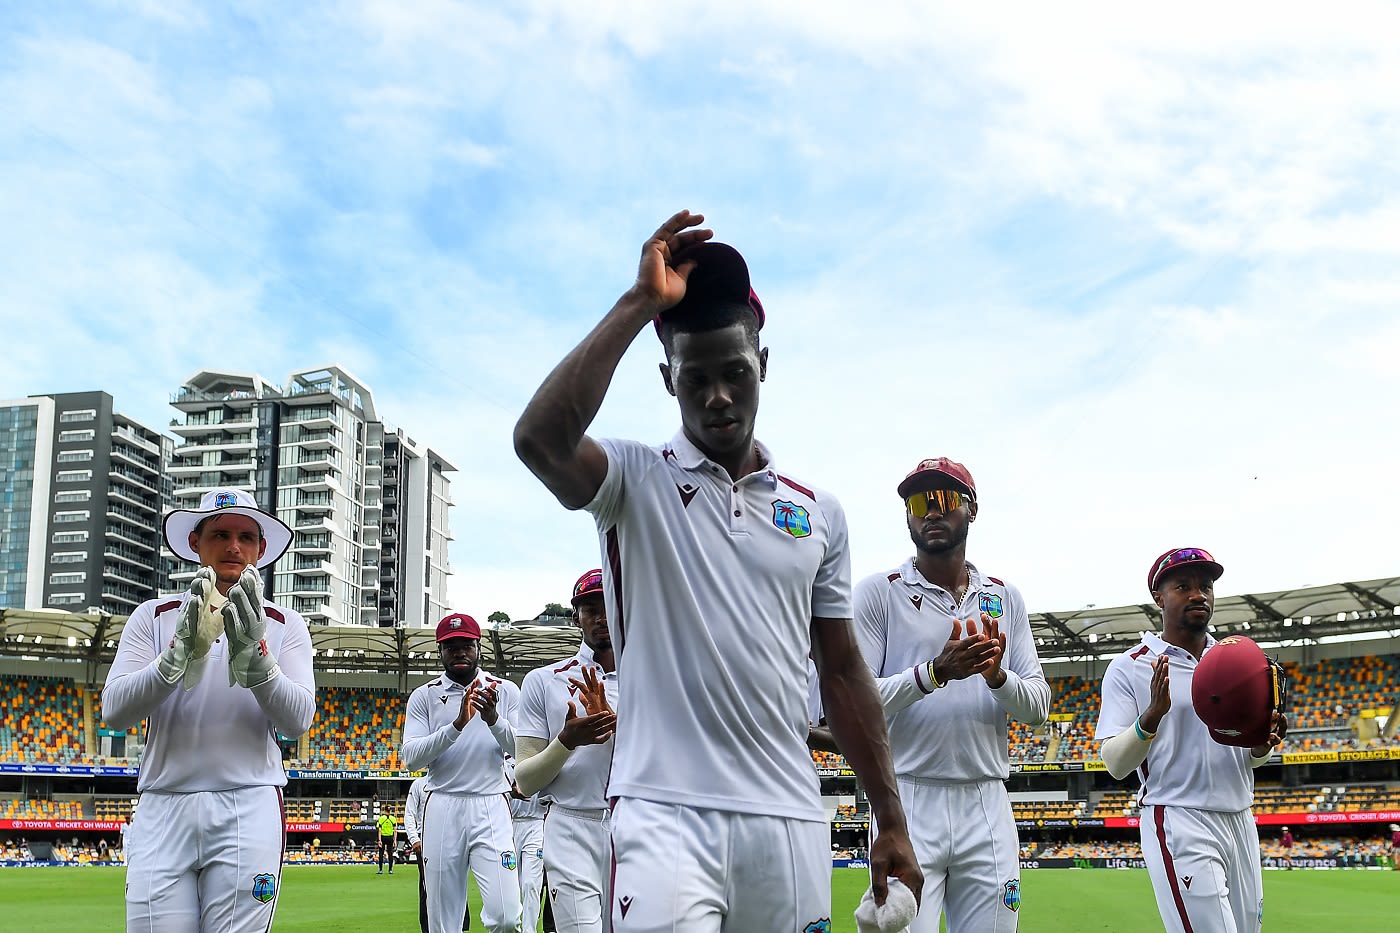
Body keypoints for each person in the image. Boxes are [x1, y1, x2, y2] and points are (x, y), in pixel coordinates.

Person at [513, 211, 922, 931]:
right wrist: (639, 305)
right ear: (668, 378)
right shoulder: (633, 479)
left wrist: (890, 815)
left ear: (763, 362)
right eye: (695, 378)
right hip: (662, 815)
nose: (718, 396)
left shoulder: (816, 511)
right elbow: (539, 439)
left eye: (735, 372)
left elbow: (842, 668)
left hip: (790, 818)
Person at [103, 487, 315, 932]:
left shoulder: (283, 624)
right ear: (196, 543)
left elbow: (297, 720)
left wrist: (258, 664)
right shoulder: (154, 617)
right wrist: (175, 657)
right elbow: (114, 712)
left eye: (244, 536)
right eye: (219, 534)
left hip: (248, 802)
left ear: (260, 549)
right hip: (164, 803)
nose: (232, 546)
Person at [854, 457, 1051, 932]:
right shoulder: (879, 593)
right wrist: (933, 672)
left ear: (973, 509)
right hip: (907, 797)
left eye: (944, 499)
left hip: (986, 801)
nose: (931, 511)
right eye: (919, 502)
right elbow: (856, 703)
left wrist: (997, 677)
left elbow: (1039, 709)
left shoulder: (1005, 598)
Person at [1094, 548, 1286, 933]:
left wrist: (1262, 746)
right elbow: (1115, 764)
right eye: (1183, 586)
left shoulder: (1238, 660)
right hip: (1179, 817)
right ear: (1159, 597)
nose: (1199, 594)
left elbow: (1245, 758)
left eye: (1206, 586)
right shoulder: (1130, 666)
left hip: (1240, 817)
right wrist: (1150, 717)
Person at [401, 613, 523, 933]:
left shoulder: (505, 690)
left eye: (466, 645)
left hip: (491, 803)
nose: (459, 653)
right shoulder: (424, 695)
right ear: (440, 651)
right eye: (451, 646)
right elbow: (411, 759)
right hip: (442, 803)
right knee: (442, 921)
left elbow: (524, 750)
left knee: (507, 916)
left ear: (478, 647)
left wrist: (494, 719)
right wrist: (456, 726)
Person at [515, 569, 620, 933]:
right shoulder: (544, 680)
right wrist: (566, 741)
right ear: (576, 617)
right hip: (571, 824)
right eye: (590, 608)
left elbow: (673, 762)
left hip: (636, 825)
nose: (602, 616)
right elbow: (525, 781)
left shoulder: (652, 675)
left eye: (609, 604)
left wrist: (616, 724)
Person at [407, 776, 470, 933]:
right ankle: (428, 928)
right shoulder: (419, 785)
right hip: (426, 842)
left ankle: (460, 925)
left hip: (453, 839)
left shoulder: (454, 779)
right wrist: (415, 839)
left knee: (457, 882)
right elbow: (409, 813)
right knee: (428, 887)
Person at [505, 757, 547, 933]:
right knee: (509, 884)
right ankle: (510, 927)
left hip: (536, 824)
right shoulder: (504, 758)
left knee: (531, 883)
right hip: (509, 825)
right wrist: (511, 792)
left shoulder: (541, 754)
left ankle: (529, 930)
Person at [376, 808, 398, 874]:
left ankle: (380, 870)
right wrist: (395, 840)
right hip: (390, 837)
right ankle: (390, 870)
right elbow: (395, 830)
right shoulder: (393, 818)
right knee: (390, 853)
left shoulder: (381, 818)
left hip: (383, 837)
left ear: (384, 811)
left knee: (381, 854)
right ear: (390, 811)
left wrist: (379, 840)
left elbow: (379, 830)